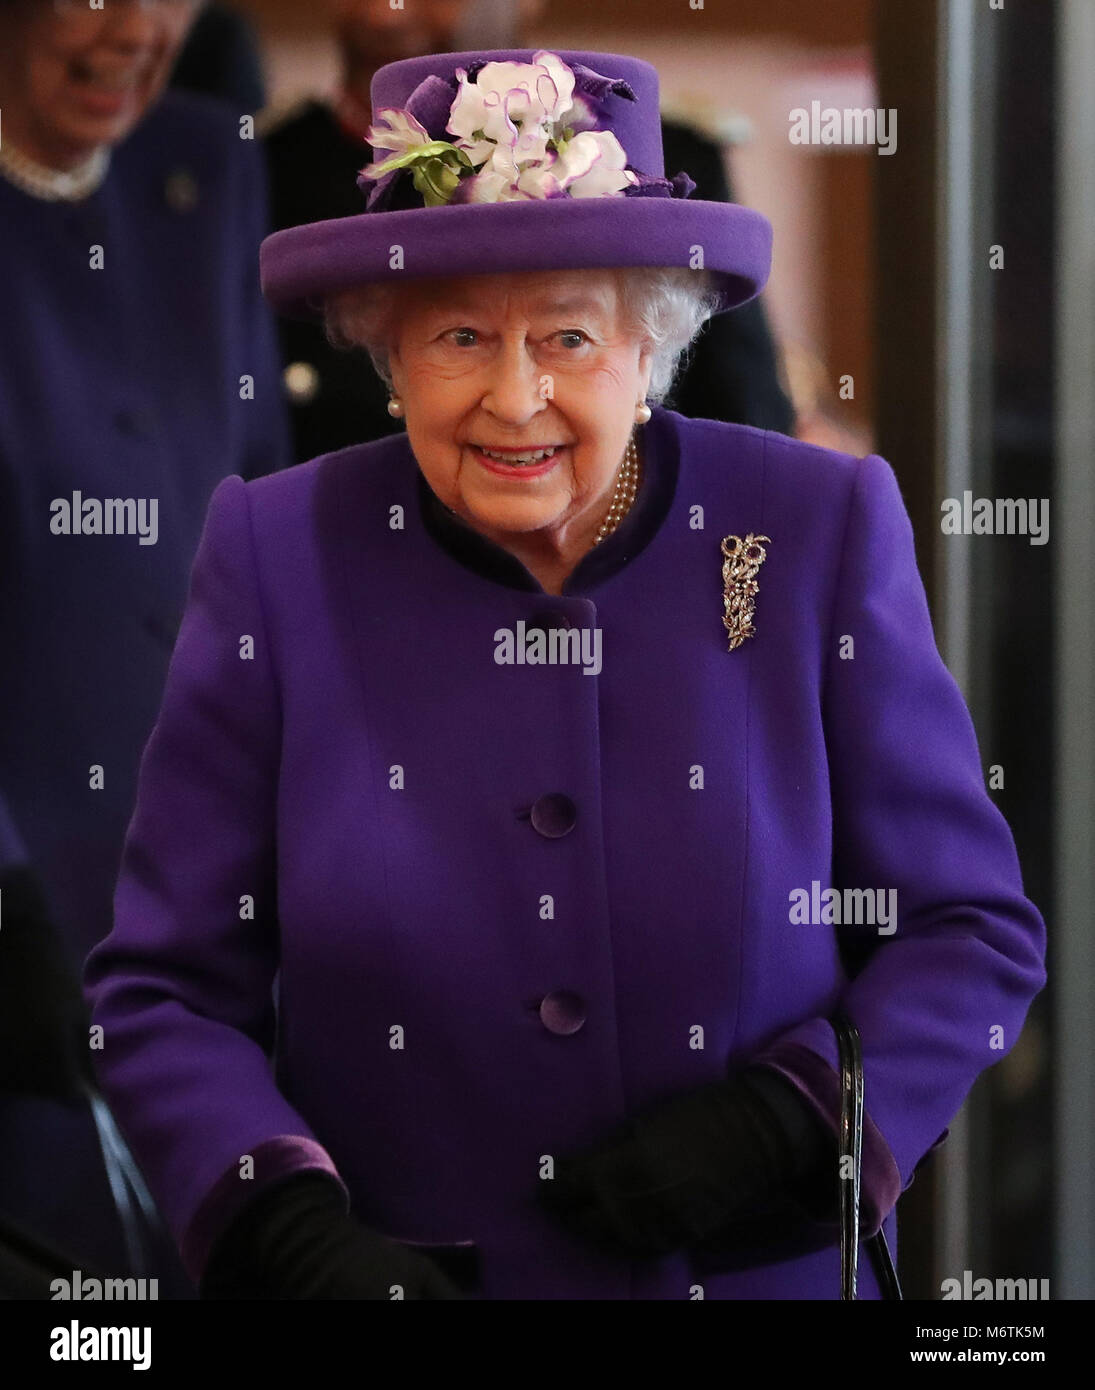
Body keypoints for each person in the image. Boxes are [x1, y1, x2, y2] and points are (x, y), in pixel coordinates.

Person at [83, 48, 1046, 1300]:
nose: (514, 395)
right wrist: (278, 1220)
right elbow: (159, 991)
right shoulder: (278, 555)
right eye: (460, 337)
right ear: (388, 357)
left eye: (570, 335)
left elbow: (972, 934)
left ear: (651, 348)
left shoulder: (809, 529)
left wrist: (792, 1117)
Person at [0, 0, 290, 1293]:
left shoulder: (208, 160)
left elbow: (272, 507)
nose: (130, 29)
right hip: (26, 900)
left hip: (213, 881)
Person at [263, 1, 793, 464]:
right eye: (462, 338)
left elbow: (747, 424)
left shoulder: (655, 166)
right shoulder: (270, 171)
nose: (384, 12)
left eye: (570, 338)